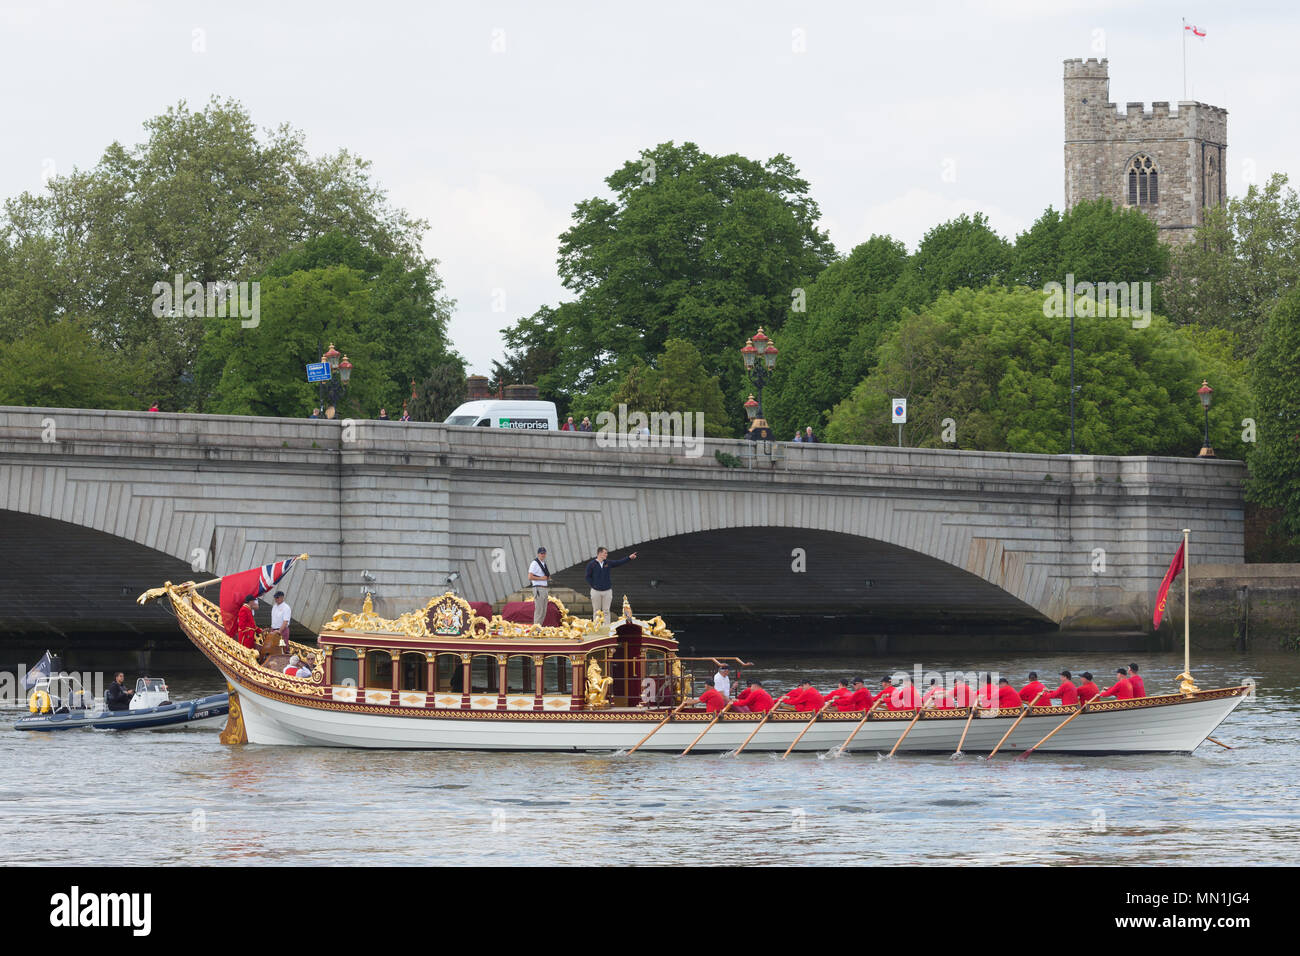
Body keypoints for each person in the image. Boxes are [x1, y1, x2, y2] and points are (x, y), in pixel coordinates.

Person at [584, 547, 638, 621]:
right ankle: (596, 629)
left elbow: (619, 562)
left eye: (607, 553)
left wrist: (629, 558)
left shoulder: (608, 563)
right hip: (595, 591)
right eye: (605, 553)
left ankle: (606, 628)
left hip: (607, 591)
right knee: (596, 611)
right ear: (599, 553)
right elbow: (587, 577)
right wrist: (594, 585)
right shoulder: (591, 564)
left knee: (606, 611)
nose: (607, 554)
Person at [527, 547, 551, 627]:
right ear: (538, 554)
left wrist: (545, 578)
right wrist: (541, 578)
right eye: (541, 553)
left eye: (544, 553)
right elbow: (530, 577)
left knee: (544, 610)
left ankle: (539, 627)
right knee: (539, 610)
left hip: (544, 588)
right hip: (538, 588)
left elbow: (545, 576)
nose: (543, 555)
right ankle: (536, 629)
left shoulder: (543, 564)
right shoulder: (534, 563)